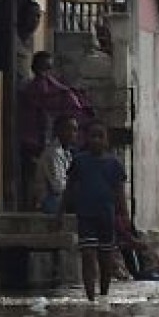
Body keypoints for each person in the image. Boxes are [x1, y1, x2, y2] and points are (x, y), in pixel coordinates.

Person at [60, 121, 129, 302]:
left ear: (106, 140)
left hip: (106, 215)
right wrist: (60, 212)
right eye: (93, 136)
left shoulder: (114, 163)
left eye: (100, 136)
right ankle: (90, 298)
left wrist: (124, 215)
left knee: (105, 258)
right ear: (87, 139)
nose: (96, 140)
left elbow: (120, 191)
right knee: (88, 255)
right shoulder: (80, 161)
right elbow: (70, 188)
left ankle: (104, 295)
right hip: (86, 215)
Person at [19, 50, 92, 207]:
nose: (45, 73)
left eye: (48, 68)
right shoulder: (36, 89)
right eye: (42, 68)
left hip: (41, 136)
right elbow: (59, 186)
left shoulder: (66, 151)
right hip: (32, 138)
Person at [34, 115, 78, 215]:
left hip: (61, 198)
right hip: (51, 201)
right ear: (58, 131)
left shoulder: (68, 152)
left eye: (75, 130)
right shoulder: (53, 153)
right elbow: (58, 187)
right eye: (68, 129)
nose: (72, 133)